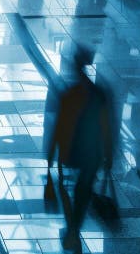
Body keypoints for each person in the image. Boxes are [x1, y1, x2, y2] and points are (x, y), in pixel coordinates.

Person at [46, 47, 114, 253]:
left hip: (73, 151)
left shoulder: (69, 94)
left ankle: (73, 230)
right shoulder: (100, 93)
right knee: (83, 190)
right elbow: (106, 127)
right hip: (92, 153)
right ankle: (74, 228)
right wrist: (108, 155)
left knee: (71, 190)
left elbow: (59, 127)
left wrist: (51, 156)